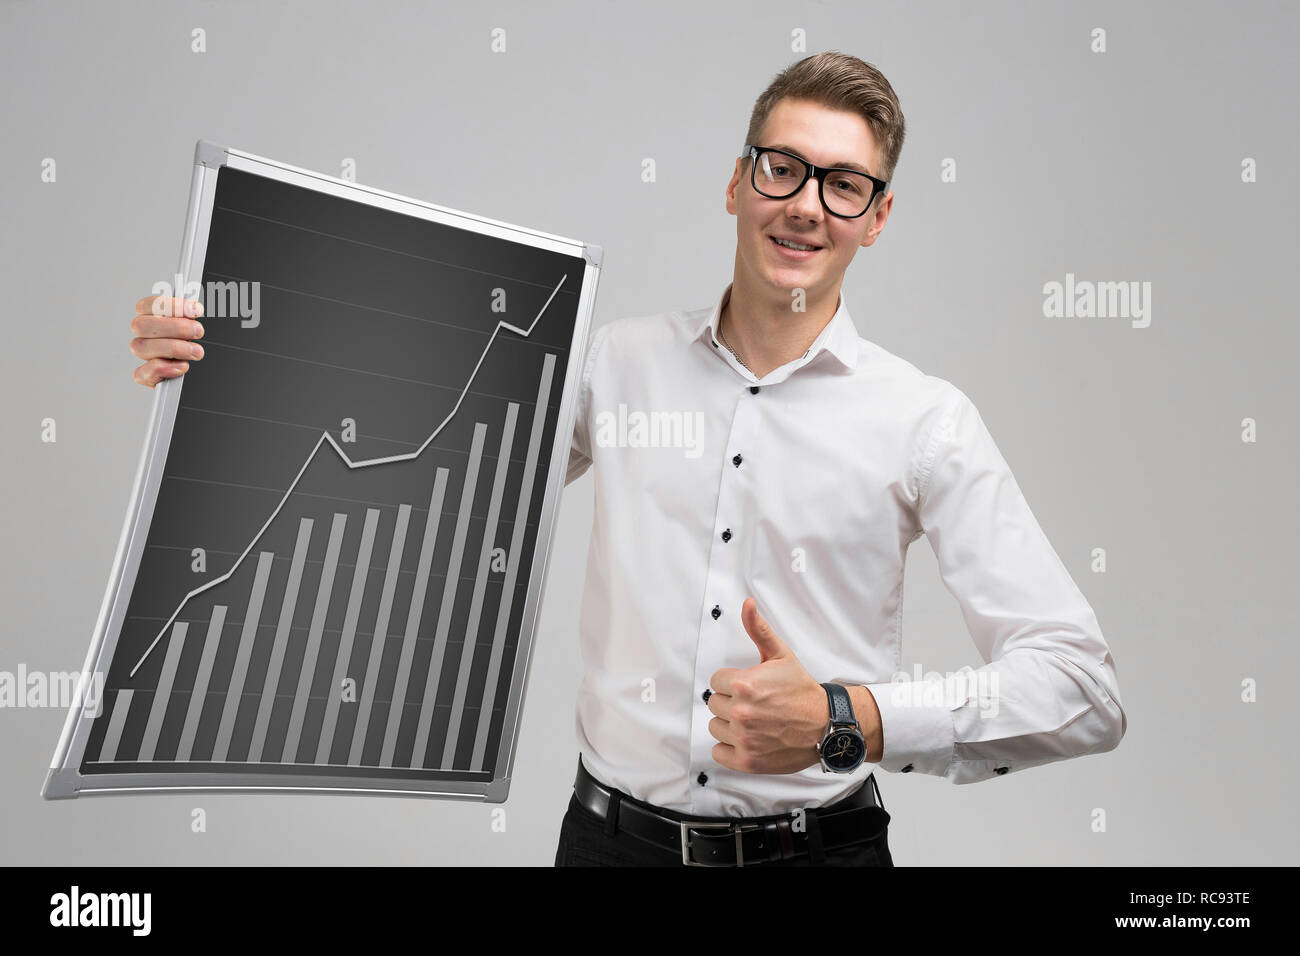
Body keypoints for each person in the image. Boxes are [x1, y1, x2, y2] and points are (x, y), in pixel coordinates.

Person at [127, 51, 1127, 867]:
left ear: (876, 216)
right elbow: (393, 445)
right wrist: (218, 369)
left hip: (819, 855)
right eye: (782, 167)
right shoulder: (611, 364)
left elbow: (1080, 688)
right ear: (737, 181)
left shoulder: (924, 419)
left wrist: (848, 717)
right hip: (608, 850)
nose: (807, 204)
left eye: (844, 184)